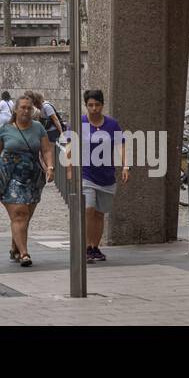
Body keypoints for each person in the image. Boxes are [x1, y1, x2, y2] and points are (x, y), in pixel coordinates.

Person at [0, 93, 54, 267]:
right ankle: (24, 253)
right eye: (23, 108)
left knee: (25, 215)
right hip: (9, 175)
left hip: (33, 176)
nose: (26, 111)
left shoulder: (38, 128)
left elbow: (46, 150)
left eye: (29, 108)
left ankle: (15, 246)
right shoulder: (5, 129)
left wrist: (50, 167)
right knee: (20, 213)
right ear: (15, 109)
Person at [79, 89, 128, 263]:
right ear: (86, 106)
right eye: (90, 105)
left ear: (102, 105)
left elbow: (121, 144)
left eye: (97, 105)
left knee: (99, 214)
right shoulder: (80, 122)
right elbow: (69, 144)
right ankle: (85, 247)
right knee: (88, 210)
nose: (94, 108)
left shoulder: (112, 124)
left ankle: (94, 247)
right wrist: (70, 168)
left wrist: (125, 166)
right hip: (86, 174)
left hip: (106, 176)